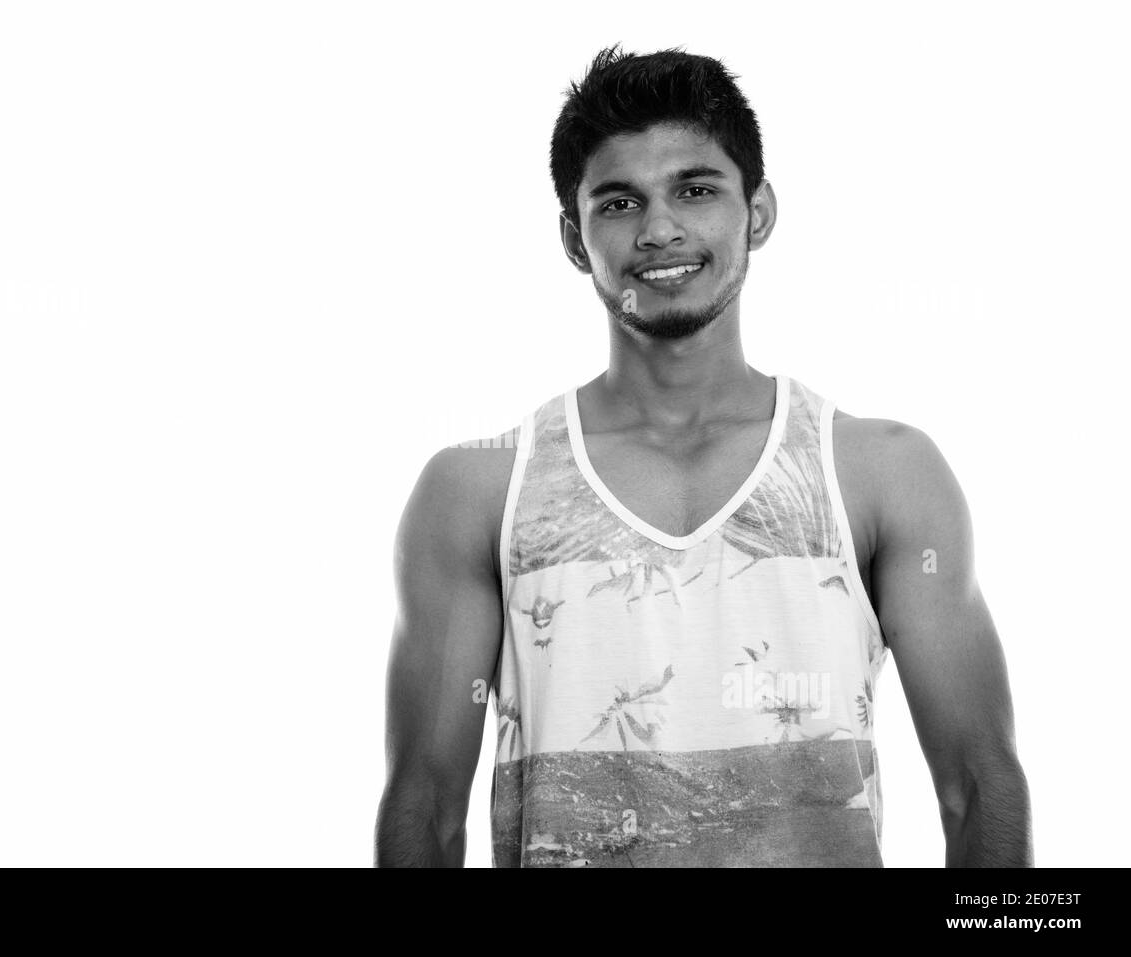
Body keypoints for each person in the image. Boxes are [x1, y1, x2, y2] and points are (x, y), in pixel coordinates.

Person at [374, 44, 1031, 868]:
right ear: (575, 239)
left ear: (757, 212)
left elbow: (978, 784)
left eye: (695, 188)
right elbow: (425, 804)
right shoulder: (476, 490)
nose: (659, 229)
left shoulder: (881, 473)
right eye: (618, 202)